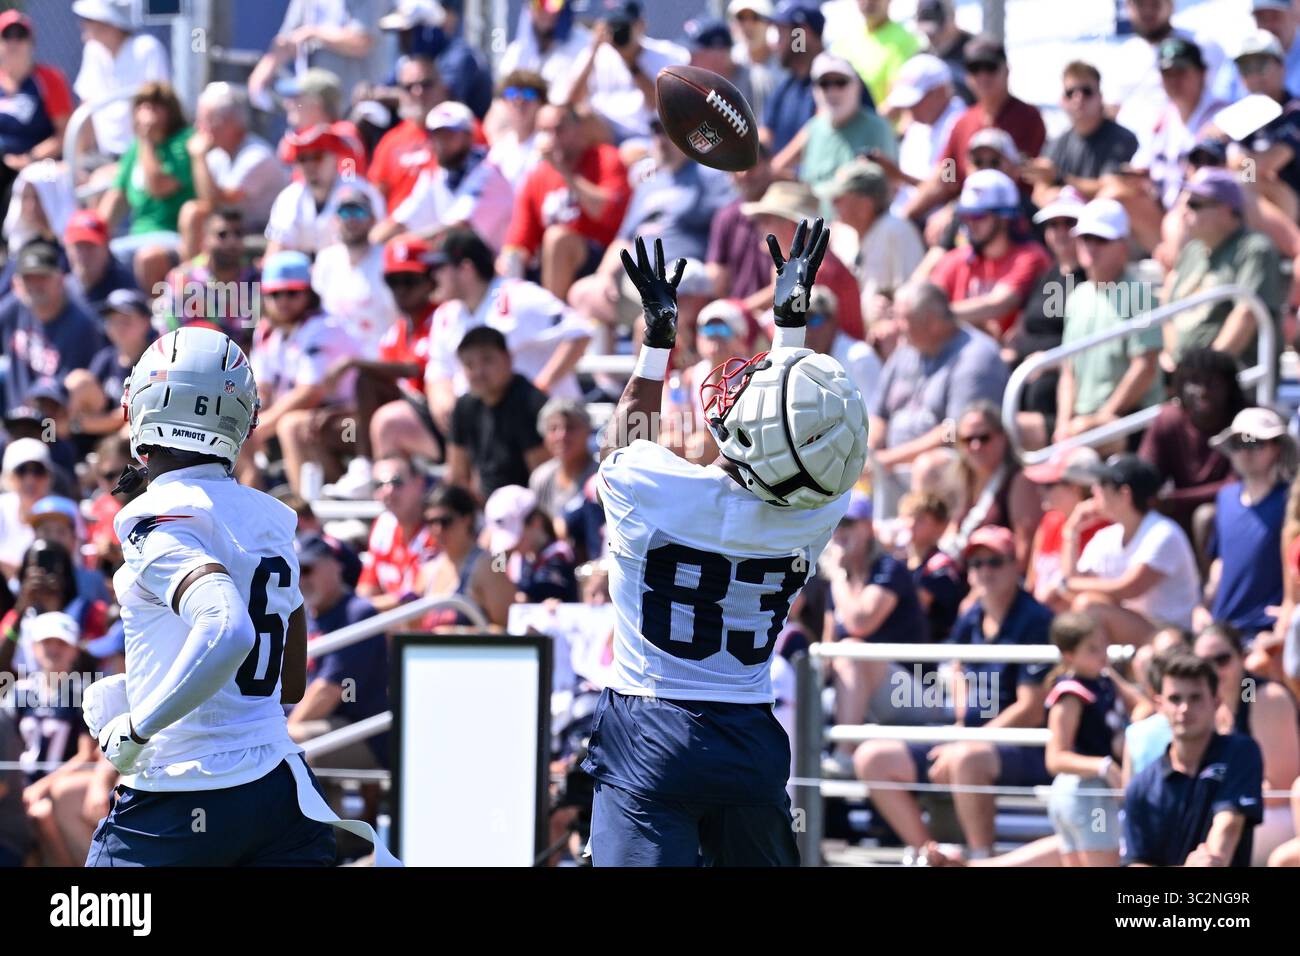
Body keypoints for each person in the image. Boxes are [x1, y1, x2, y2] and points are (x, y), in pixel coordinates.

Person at [585, 217, 867, 866]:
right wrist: (790, 330)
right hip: (749, 743)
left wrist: (658, 340)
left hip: (650, 733)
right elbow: (793, 438)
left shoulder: (655, 489)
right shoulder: (816, 514)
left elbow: (621, 441)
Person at [83, 324, 394, 866]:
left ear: (147, 404)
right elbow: (289, 680)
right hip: (280, 796)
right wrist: (156, 679)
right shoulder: (267, 515)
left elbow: (226, 627)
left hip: (181, 796)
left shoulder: (155, 512)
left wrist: (137, 725)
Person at [853, 525, 1053, 859]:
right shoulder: (972, 614)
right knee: (872, 757)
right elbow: (958, 668)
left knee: (965, 758)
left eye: (994, 562)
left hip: (1025, 744)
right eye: (976, 564)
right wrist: (962, 725)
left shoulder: (1037, 619)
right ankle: (931, 855)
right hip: (974, 737)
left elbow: (1031, 710)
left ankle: (980, 859)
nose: (984, 571)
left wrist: (967, 740)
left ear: (1015, 567)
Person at [868, 281, 1009, 509]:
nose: (896, 327)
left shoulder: (975, 358)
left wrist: (888, 459)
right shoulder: (906, 350)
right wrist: (870, 451)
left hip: (945, 465)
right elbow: (879, 414)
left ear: (932, 322)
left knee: (927, 467)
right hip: (890, 464)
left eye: (904, 319)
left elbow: (955, 432)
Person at [820, 492, 930, 778]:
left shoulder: (889, 567)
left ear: (868, 527)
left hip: (913, 692)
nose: (839, 532)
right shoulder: (841, 581)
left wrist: (837, 577)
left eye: (848, 523)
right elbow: (827, 651)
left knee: (854, 649)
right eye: (835, 524)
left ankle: (844, 754)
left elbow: (860, 622)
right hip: (864, 698)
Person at [1123, 654, 1263, 867]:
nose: (1185, 708)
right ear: (1159, 705)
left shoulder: (1241, 752)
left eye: (1195, 697)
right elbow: (1136, 861)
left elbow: (1227, 829)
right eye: (1175, 698)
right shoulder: (1141, 786)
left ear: (1216, 702)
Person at [240, 251, 359, 493]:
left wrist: (259, 429)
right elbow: (261, 390)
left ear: (309, 293)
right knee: (241, 429)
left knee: (291, 425)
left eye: (292, 293)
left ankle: (307, 512)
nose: (283, 301)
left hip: (352, 425)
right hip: (315, 420)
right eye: (275, 294)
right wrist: (248, 426)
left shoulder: (325, 327)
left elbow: (310, 394)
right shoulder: (266, 332)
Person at [1054, 199, 1163, 446]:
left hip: (1132, 419)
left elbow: (1145, 367)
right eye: (1085, 239)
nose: (1091, 247)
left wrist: (1101, 420)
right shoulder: (1077, 296)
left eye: (1101, 240)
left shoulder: (1140, 295)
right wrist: (1063, 425)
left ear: (1123, 246)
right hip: (1083, 422)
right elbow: (1068, 371)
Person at [1061, 454, 1202, 641]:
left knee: (1088, 606)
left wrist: (1068, 584)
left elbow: (1127, 589)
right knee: (1083, 605)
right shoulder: (1106, 537)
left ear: (1124, 494)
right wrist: (1071, 532)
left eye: (1102, 484)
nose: (1094, 490)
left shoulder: (1163, 533)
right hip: (1142, 630)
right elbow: (1073, 586)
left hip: (1174, 637)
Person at [904, 35, 1046, 222]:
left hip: (1012, 218)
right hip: (967, 216)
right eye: (974, 69)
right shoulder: (963, 122)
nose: (983, 76)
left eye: (990, 67)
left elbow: (1022, 175)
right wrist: (904, 216)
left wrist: (955, 208)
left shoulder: (1028, 118)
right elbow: (947, 177)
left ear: (1006, 70)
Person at [498, 103, 631, 300]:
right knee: (509, 261)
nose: (552, 138)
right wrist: (509, 261)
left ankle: (554, 320)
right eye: (544, 131)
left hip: (605, 258)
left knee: (557, 238)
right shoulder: (537, 177)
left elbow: (608, 212)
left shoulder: (606, 158)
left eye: (559, 129)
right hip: (552, 265)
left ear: (578, 129)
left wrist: (565, 172)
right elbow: (519, 240)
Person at [1193, 622, 1300, 865]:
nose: (1214, 670)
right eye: (1204, 663)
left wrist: (1226, 801)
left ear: (1242, 658)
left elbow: (1279, 788)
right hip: (1240, 807)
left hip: (1280, 814)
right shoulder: (1214, 707)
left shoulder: (1263, 698)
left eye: (1221, 659)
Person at [287, 532, 389, 773]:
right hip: (321, 726)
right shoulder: (304, 614)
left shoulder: (357, 613)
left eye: (307, 568)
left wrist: (276, 736)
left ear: (334, 567)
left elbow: (328, 691)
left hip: (365, 733)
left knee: (291, 743)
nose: (301, 579)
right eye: (295, 570)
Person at [1044, 612, 1138, 867]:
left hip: (1089, 796)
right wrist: (1103, 766)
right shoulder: (1071, 695)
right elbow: (1055, 758)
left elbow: (1143, 706)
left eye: (1104, 646)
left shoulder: (1103, 682)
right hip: (1085, 795)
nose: (1103, 655)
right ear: (1069, 655)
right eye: (1092, 649)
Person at [1162, 168, 1281, 365]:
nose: (1183, 212)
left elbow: (1246, 315)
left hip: (1233, 384)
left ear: (1225, 209)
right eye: (1181, 204)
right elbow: (1169, 307)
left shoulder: (1254, 249)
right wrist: (1174, 359)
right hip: (1187, 380)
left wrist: (1205, 372)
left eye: (1194, 204)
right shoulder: (1192, 250)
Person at [1200, 408, 1295, 642]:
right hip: (1223, 631)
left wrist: (1290, 610)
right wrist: (1202, 606)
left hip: (1267, 632)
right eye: (1237, 443)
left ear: (1277, 447)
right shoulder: (1226, 497)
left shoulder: (1292, 502)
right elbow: (1221, 562)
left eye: (1253, 442)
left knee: (1250, 681)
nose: (1245, 451)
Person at [928, 168, 1053, 343]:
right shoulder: (956, 258)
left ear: (1004, 218)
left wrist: (936, 315)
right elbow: (928, 296)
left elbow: (999, 303)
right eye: (965, 215)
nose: (970, 223)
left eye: (978, 216)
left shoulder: (1031, 257)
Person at [96, 81, 196, 292]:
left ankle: (156, 319)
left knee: (145, 257)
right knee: (93, 255)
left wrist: (147, 140)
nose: (146, 113)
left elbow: (158, 186)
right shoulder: (135, 149)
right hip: (136, 235)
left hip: (171, 235)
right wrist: (95, 236)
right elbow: (116, 196)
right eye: (142, 106)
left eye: (154, 106)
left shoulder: (183, 141)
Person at [372, 101, 513, 251]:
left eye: (449, 135)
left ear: (469, 137)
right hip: (457, 267)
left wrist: (396, 246)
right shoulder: (436, 174)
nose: (440, 142)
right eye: (436, 135)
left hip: (495, 269)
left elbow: (455, 230)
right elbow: (401, 221)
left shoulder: (489, 172)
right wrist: (370, 243)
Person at [1138, 348, 1244, 537]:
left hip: (1238, 512)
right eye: (1194, 381)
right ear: (1180, 385)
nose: (1203, 391)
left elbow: (1238, 485)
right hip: (1177, 516)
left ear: (1229, 387)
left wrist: (1174, 501)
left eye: (1212, 383)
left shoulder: (1246, 422)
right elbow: (1145, 474)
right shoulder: (1168, 420)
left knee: (1205, 517)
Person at [180, 82, 289, 257]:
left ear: (229, 123)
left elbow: (217, 202)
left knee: (195, 214)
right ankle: (191, 277)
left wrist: (198, 157)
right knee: (193, 212)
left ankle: (195, 279)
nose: (198, 128)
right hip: (229, 228)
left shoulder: (257, 156)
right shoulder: (218, 156)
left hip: (260, 234)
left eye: (205, 121)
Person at [445, 325, 551, 501]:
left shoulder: (530, 402)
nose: (478, 372)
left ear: (508, 358)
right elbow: (458, 476)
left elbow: (541, 478)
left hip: (526, 507)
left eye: (487, 360)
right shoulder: (464, 406)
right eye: (469, 364)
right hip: (483, 508)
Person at [563, 0, 689, 147]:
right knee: (580, 114)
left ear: (641, 25)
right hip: (605, 138)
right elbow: (571, 101)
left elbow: (660, 107)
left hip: (648, 138)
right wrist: (594, 48)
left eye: (624, 26)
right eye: (613, 26)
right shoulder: (595, 54)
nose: (618, 31)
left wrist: (631, 63)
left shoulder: (666, 55)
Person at [0, 239, 106, 412]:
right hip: (17, 421)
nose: (35, 285)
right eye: (28, 278)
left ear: (60, 279)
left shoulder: (82, 326)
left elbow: (66, 396)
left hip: (54, 427)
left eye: (42, 276)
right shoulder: (15, 307)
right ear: (16, 283)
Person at [775, 53, 897, 203]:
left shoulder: (878, 127)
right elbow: (777, 168)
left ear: (857, 86)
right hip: (813, 221)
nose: (832, 91)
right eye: (824, 84)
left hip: (857, 223)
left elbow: (891, 186)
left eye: (840, 82)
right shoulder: (813, 128)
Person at [817, 158, 922, 329]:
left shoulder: (898, 232)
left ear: (865, 205)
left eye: (839, 198)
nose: (833, 204)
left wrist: (890, 311)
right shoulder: (843, 233)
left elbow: (912, 300)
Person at [1024, 61, 1138, 209]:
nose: (1078, 99)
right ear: (1062, 100)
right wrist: (1054, 197)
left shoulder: (1122, 139)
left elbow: (1110, 189)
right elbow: (1039, 193)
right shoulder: (1057, 142)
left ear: (1100, 96)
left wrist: (1059, 179)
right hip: (1062, 222)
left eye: (1086, 91)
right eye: (1070, 93)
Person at [264, 124, 385, 258]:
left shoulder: (359, 190)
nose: (310, 166)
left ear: (334, 158)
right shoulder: (289, 197)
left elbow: (376, 236)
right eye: (303, 159)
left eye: (317, 157)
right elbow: (276, 249)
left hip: (353, 266)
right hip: (303, 271)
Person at [71, 0, 170, 162]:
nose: (83, 24)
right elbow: (86, 106)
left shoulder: (147, 49)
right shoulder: (93, 51)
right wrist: (77, 164)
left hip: (140, 157)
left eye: (91, 19)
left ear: (110, 24)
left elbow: (155, 109)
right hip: (102, 156)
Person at [310, 186, 401, 360]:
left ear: (373, 220)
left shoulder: (388, 260)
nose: (351, 219)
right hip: (332, 361)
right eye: (344, 212)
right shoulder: (326, 260)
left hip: (377, 361)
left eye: (359, 212)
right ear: (335, 220)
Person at [952, 401, 1043, 570]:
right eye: (967, 439)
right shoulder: (966, 480)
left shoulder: (1019, 481)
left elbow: (1025, 550)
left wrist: (977, 594)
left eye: (984, 438)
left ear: (1003, 437)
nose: (975, 446)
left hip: (998, 586)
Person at [0, 11, 73, 216]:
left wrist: (29, 158)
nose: (14, 43)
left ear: (31, 43)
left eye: (20, 36)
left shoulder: (49, 79)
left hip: (39, 163)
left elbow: (64, 134)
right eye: (7, 36)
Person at [414, 483, 515, 628]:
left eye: (445, 521)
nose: (437, 529)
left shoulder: (489, 567)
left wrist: (459, 634)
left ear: (466, 519)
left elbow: (508, 631)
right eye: (430, 522)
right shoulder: (428, 570)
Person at [156, 206, 261, 340]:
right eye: (222, 234)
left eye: (238, 234)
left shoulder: (255, 277)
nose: (232, 241)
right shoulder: (184, 279)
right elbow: (171, 330)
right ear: (205, 239)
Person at [880, 54, 965, 219]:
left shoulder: (959, 124)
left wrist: (898, 176)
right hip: (905, 218)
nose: (910, 109)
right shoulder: (916, 125)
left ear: (940, 91)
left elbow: (948, 186)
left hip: (932, 223)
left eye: (917, 101)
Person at [1023, 446, 1108, 610]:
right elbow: (1031, 583)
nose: (1040, 490)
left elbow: (1075, 592)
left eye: (1049, 485)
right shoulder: (1049, 521)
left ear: (1075, 488)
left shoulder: (1104, 533)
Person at [355, 455, 437, 613]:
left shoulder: (437, 527)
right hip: (389, 623)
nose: (388, 491)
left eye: (396, 482)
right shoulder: (383, 525)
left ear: (419, 483)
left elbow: (413, 597)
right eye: (379, 484)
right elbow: (366, 589)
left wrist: (364, 609)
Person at [367, 54, 444, 213]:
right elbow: (374, 198)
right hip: (398, 234)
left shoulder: (463, 131)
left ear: (442, 86)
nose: (418, 92)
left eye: (426, 84)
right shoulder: (390, 142)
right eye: (409, 87)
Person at [483, 484, 577, 603]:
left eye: (516, 536)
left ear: (535, 522)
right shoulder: (517, 558)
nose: (511, 546)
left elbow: (539, 591)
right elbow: (496, 576)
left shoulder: (559, 554)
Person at [496, 0, 591, 104]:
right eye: (539, 2)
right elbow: (503, 94)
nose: (546, 11)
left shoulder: (587, 46)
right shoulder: (517, 51)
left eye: (553, 2)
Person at [831, 0, 921, 108]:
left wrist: (871, 123)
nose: (869, 2)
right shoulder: (844, 39)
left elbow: (899, 99)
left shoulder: (907, 41)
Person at [61, 209, 137, 314]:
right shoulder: (62, 291)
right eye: (78, 246)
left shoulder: (126, 287)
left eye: (90, 246)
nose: (84, 253)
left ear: (106, 246)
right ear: (67, 248)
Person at [485, 70, 546, 190]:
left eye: (529, 93)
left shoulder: (549, 146)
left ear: (541, 103)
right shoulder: (499, 150)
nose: (519, 100)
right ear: (504, 102)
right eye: (511, 93)